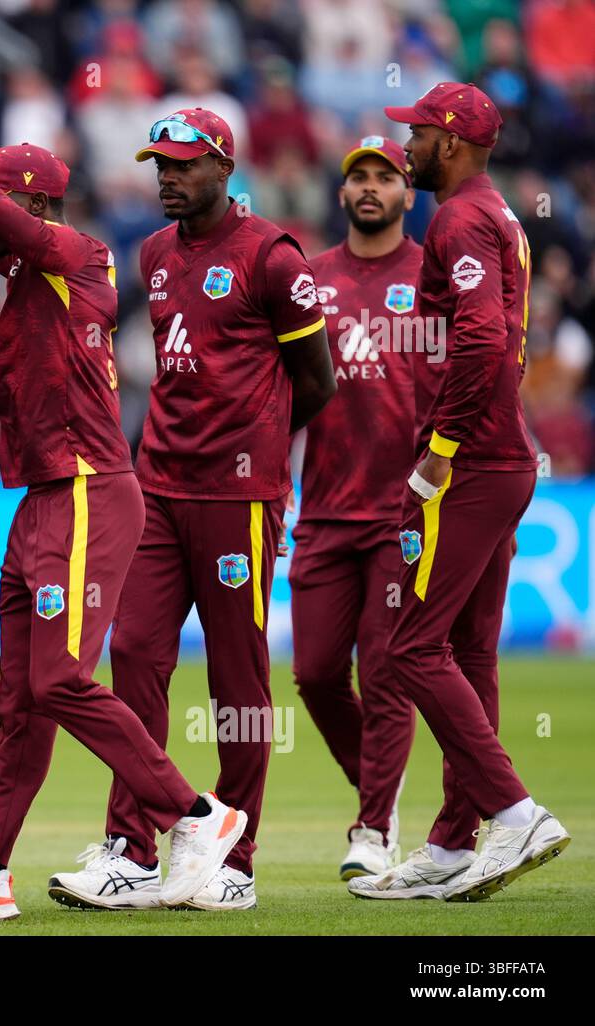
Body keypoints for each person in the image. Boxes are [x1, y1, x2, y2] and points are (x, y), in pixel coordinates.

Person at [0, 29, 247, 923]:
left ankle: (198, 816)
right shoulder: (34, 274)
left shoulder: (75, 261)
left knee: (62, 682)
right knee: (20, 706)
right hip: (42, 504)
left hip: (86, 494)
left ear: (30, 201)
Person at [51, 108, 337, 912]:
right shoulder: (154, 253)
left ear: (223, 165)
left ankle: (235, 860)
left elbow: (318, 381)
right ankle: (132, 848)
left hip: (238, 499)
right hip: (159, 488)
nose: (167, 177)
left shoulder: (274, 257)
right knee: (135, 655)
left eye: (182, 164)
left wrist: (258, 452)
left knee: (236, 675)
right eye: (159, 165)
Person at [350, 82, 570, 901]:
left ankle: (515, 814)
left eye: (416, 135)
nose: (403, 148)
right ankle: (449, 842)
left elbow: (479, 335)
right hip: (505, 455)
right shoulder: (498, 214)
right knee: (470, 651)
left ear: (453, 143)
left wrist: (439, 450)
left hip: (471, 462)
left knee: (411, 646)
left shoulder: (460, 218)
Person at [291, 136, 422, 881]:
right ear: (342, 194)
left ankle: (372, 827)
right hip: (325, 509)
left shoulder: (431, 277)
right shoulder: (309, 280)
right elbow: (282, 395)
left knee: (387, 671)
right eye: (359, 179)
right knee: (312, 674)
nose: (371, 189)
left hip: (402, 513)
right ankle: (383, 788)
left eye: (386, 178)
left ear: (408, 193)